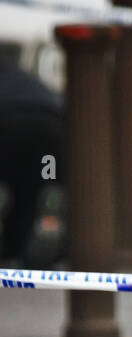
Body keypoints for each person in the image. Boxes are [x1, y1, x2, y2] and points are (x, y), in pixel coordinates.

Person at [0, 61, 63, 267]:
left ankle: (13, 252)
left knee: (29, 187)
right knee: (35, 187)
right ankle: (17, 251)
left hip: (12, 123)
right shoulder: (19, 76)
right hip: (50, 126)